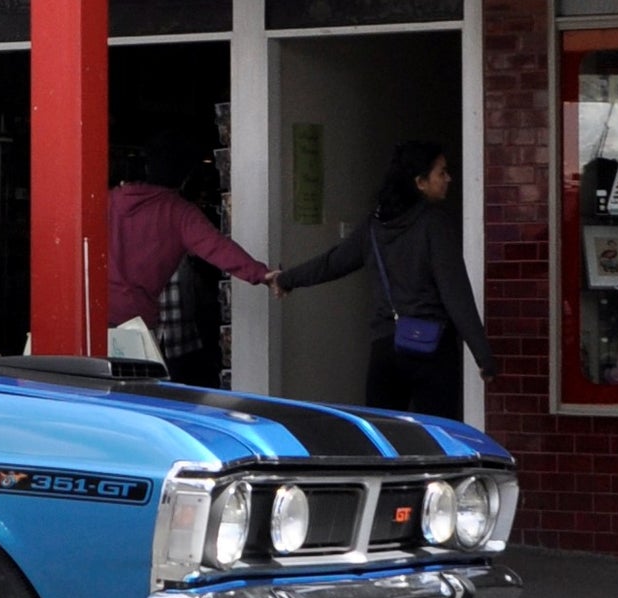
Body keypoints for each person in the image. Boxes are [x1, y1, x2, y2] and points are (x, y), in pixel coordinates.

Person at [276, 138, 494, 418]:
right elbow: (456, 293)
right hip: (432, 350)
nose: (449, 179)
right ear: (420, 182)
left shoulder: (375, 226)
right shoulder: (435, 224)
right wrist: (482, 354)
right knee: (440, 441)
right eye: (441, 172)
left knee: (386, 440)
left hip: (386, 351)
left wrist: (286, 279)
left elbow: (332, 263)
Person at [108, 145, 279, 376]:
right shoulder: (179, 213)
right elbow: (217, 247)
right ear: (185, 177)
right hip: (133, 326)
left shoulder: (108, 200)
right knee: (135, 399)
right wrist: (261, 274)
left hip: (86, 317)